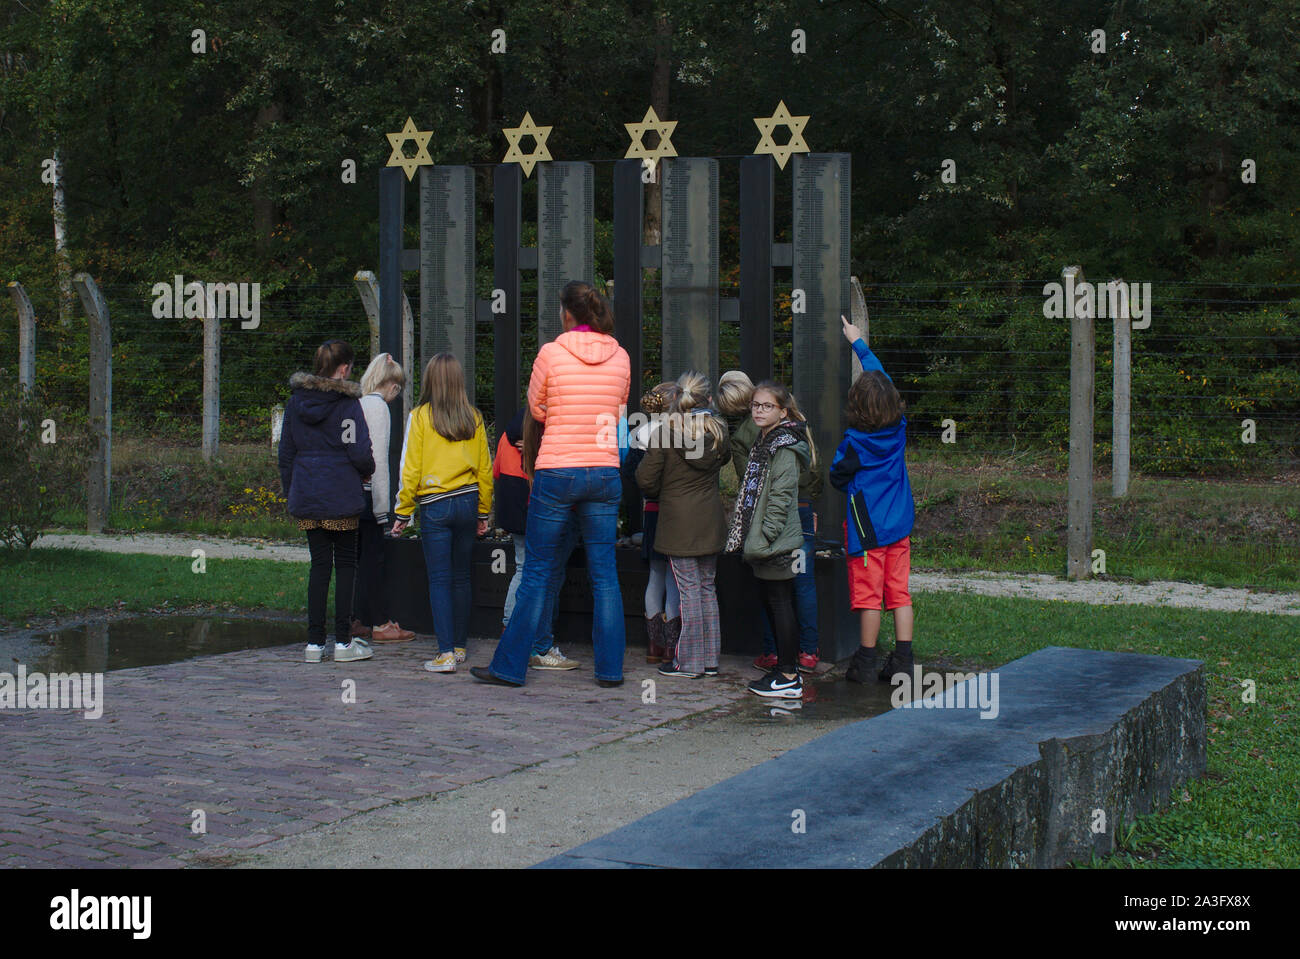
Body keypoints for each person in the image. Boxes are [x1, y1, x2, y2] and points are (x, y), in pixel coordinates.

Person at [471, 280, 631, 688]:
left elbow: (537, 408)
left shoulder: (552, 353)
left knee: (537, 570)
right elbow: (617, 406)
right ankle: (611, 670)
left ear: (567, 313)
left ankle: (509, 667)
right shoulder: (621, 357)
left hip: (558, 469)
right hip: (604, 471)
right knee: (605, 575)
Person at [389, 353, 493, 674]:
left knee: (439, 579)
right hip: (467, 500)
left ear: (431, 380)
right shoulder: (473, 417)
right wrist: (484, 512)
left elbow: (411, 469)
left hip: (435, 503)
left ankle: (445, 653)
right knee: (462, 576)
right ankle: (460, 646)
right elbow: (485, 469)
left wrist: (403, 511)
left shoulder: (420, 417)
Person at [831, 314, 916, 683]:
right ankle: (904, 659)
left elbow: (837, 476)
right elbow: (882, 380)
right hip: (899, 524)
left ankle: (865, 662)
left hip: (867, 529)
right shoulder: (898, 429)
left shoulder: (854, 443)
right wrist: (858, 343)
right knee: (899, 593)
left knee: (868, 597)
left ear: (856, 406)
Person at [278, 340, 375, 664]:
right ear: (344, 368)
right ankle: (344, 643)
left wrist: (292, 488)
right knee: (346, 565)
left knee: (319, 566)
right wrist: (367, 471)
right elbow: (359, 451)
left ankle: (314, 643)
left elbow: (286, 452)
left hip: (307, 492)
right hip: (341, 493)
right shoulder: (347, 405)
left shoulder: (295, 403)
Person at [636, 372, 729, 678]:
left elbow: (645, 480)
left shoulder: (665, 434)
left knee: (688, 592)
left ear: (676, 399)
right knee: (707, 589)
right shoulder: (718, 434)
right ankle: (710, 659)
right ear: (709, 400)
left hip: (678, 523)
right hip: (711, 520)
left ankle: (688, 662)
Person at [729, 377, 822, 673]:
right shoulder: (765, 439)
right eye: (755, 405)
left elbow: (781, 495)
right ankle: (785, 669)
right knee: (773, 600)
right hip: (768, 534)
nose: (758, 411)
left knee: (782, 601)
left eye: (767, 406)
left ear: (782, 411)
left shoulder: (783, 444)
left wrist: (765, 536)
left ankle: (787, 672)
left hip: (775, 537)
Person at [353, 352, 415, 644]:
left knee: (355, 561)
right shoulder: (379, 409)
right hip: (368, 498)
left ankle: (357, 618)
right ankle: (380, 622)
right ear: (391, 384)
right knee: (373, 560)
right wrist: (382, 507)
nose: (398, 393)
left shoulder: (358, 404)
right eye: (398, 386)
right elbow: (376, 459)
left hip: (350, 495)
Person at [515, 411, 582, 671]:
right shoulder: (561, 427)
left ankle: (529, 642)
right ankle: (541, 647)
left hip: (539, 506)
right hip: (565, 511)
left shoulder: (533, 424)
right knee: (551, 579)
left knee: (537, 576)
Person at [622, 382, 682, 664]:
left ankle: (653, 646)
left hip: (651, 510)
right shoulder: (683, 433)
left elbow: (631, 476)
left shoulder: (640, 433)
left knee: (656, 575)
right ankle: (671, 646)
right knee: (674, 577)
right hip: (676, 510)